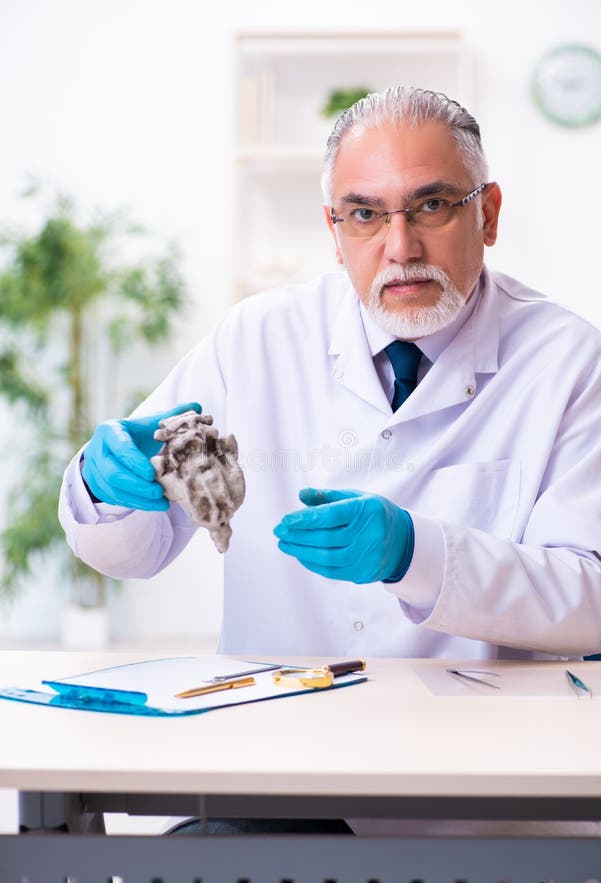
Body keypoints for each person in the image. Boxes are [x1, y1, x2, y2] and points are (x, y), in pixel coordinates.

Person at [59, 85, 601, 662]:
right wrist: (104, 487)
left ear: (487, 214)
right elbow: (136, 554)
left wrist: (418, 554)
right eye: (365, 214)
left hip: (476, 736)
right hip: (276, 724)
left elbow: (590, 601)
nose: (400, 246)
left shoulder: (567, 361)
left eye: (432, 206)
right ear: (335, 234)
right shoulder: (255, 339)